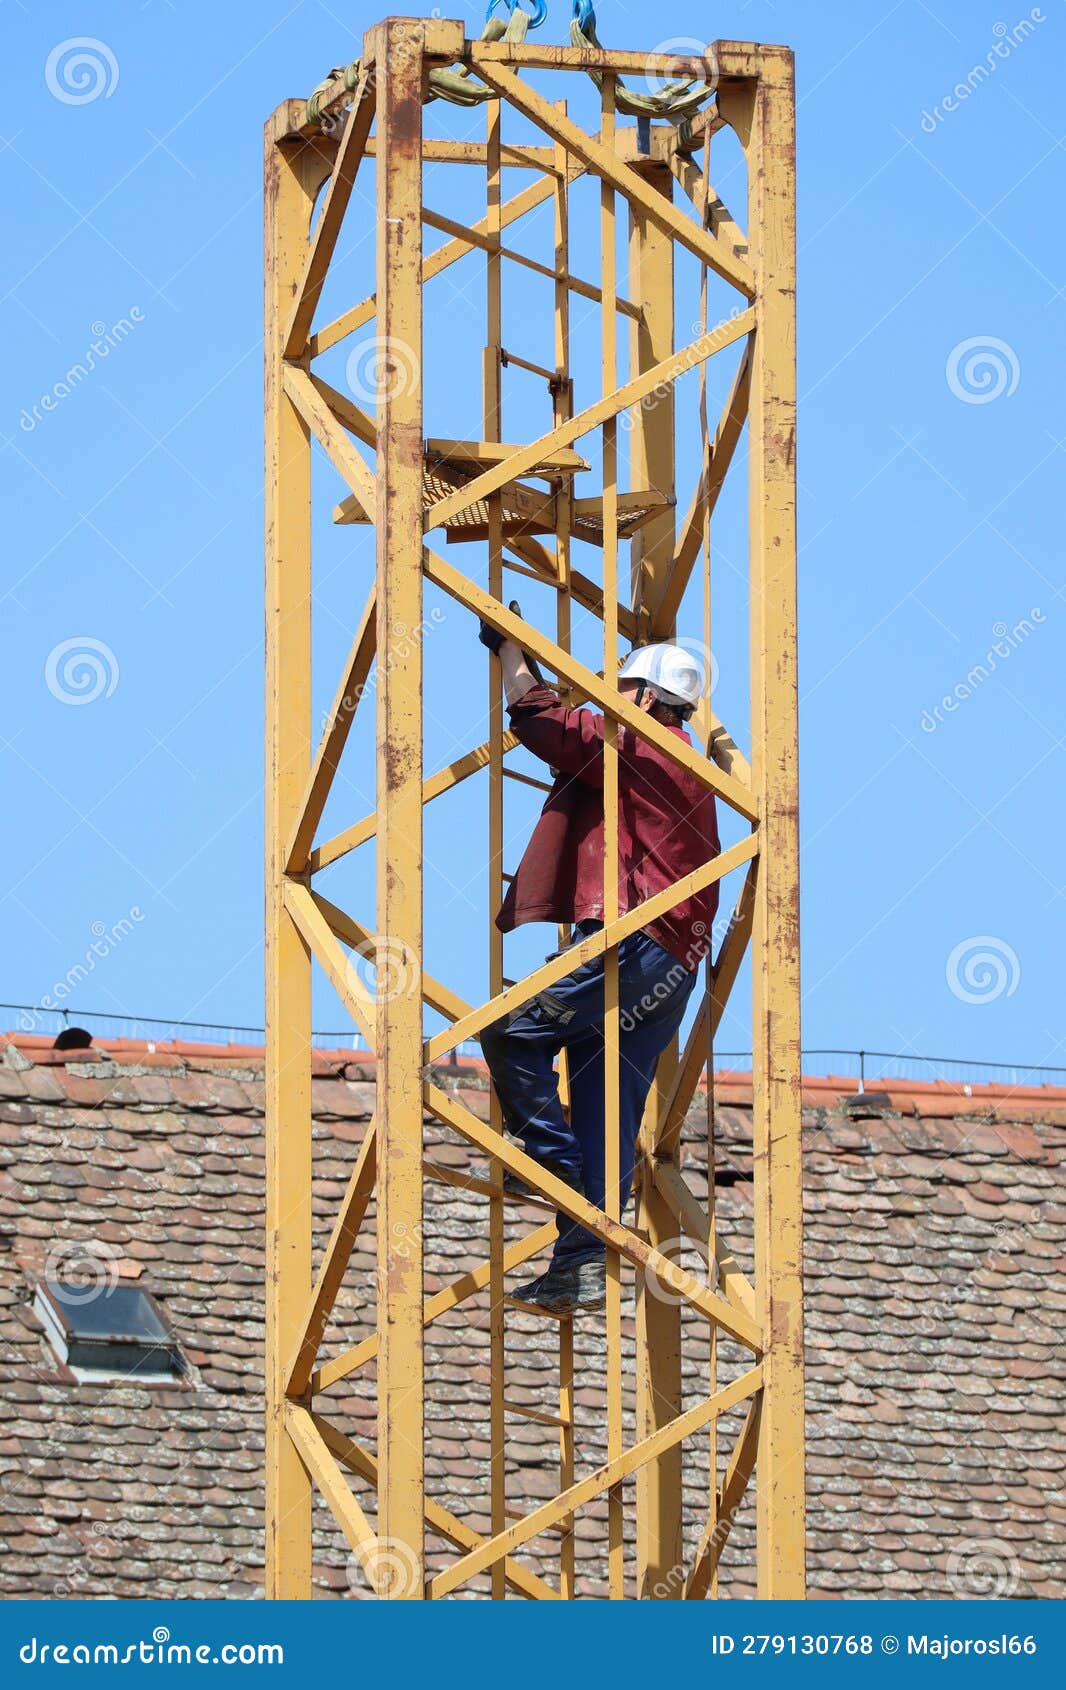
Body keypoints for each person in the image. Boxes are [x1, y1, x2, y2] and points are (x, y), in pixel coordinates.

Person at [478, 619, 721, 1313]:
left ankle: (542, 1165)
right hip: (674, 965)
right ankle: (583, 1260)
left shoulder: (638, 738)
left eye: (618, 691)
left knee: (510, 1031)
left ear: (641, 697)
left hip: (637, 940)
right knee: (605, 1111)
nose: (608, 701)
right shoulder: (682, 758)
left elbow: (545, 725)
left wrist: (512, 654)